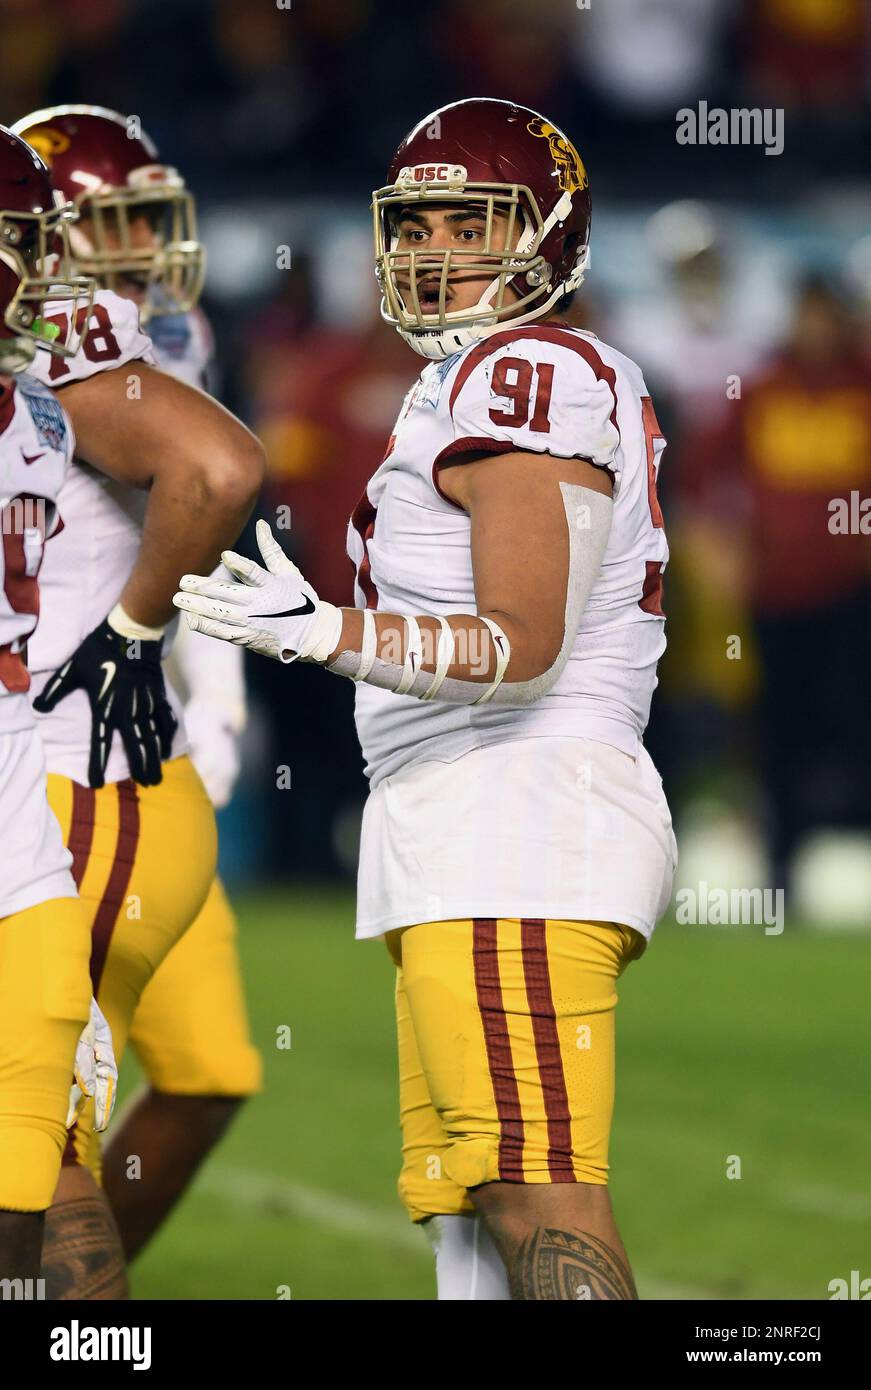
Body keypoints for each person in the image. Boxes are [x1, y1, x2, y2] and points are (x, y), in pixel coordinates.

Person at [175, 98, 676, 1301]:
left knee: (536, 1193)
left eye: (475, 219)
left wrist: (324, 631)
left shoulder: (529, 370)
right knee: (471, 1223)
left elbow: (523, 641)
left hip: (523, 816)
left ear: (550, 234)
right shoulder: (481, 377)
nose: (437, 250)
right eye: (419, 223)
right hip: (472, 824)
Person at [10, 104, 265, 1298]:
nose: (144, 248)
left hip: (73, 785)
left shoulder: (71, 340)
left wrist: (147, 642)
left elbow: (215, 480)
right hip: (90, 775)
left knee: (42, 1149)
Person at [0, 126, 116, 1287]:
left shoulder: (39, 420)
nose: (42, 275)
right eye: (19, 247)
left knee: (25, 1162)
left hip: (15, 822)